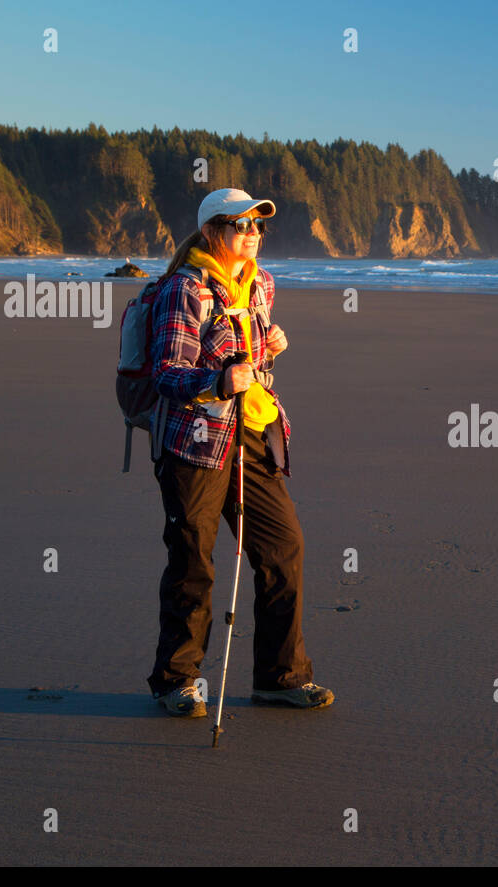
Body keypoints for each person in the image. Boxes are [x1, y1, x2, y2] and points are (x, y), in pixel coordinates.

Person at [146, 187, 334, 717]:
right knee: (192, 563)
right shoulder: (185, 290)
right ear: (212, 233)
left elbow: (251, 366)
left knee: (283, 549)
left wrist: (267, 349)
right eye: (241, 225)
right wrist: (222, 378)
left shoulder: (261, 285)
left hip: (252, 433)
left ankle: (280, 678)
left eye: (258, 227)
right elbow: (167, 374)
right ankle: (176, 682)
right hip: (194, 442)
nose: (252, 235)